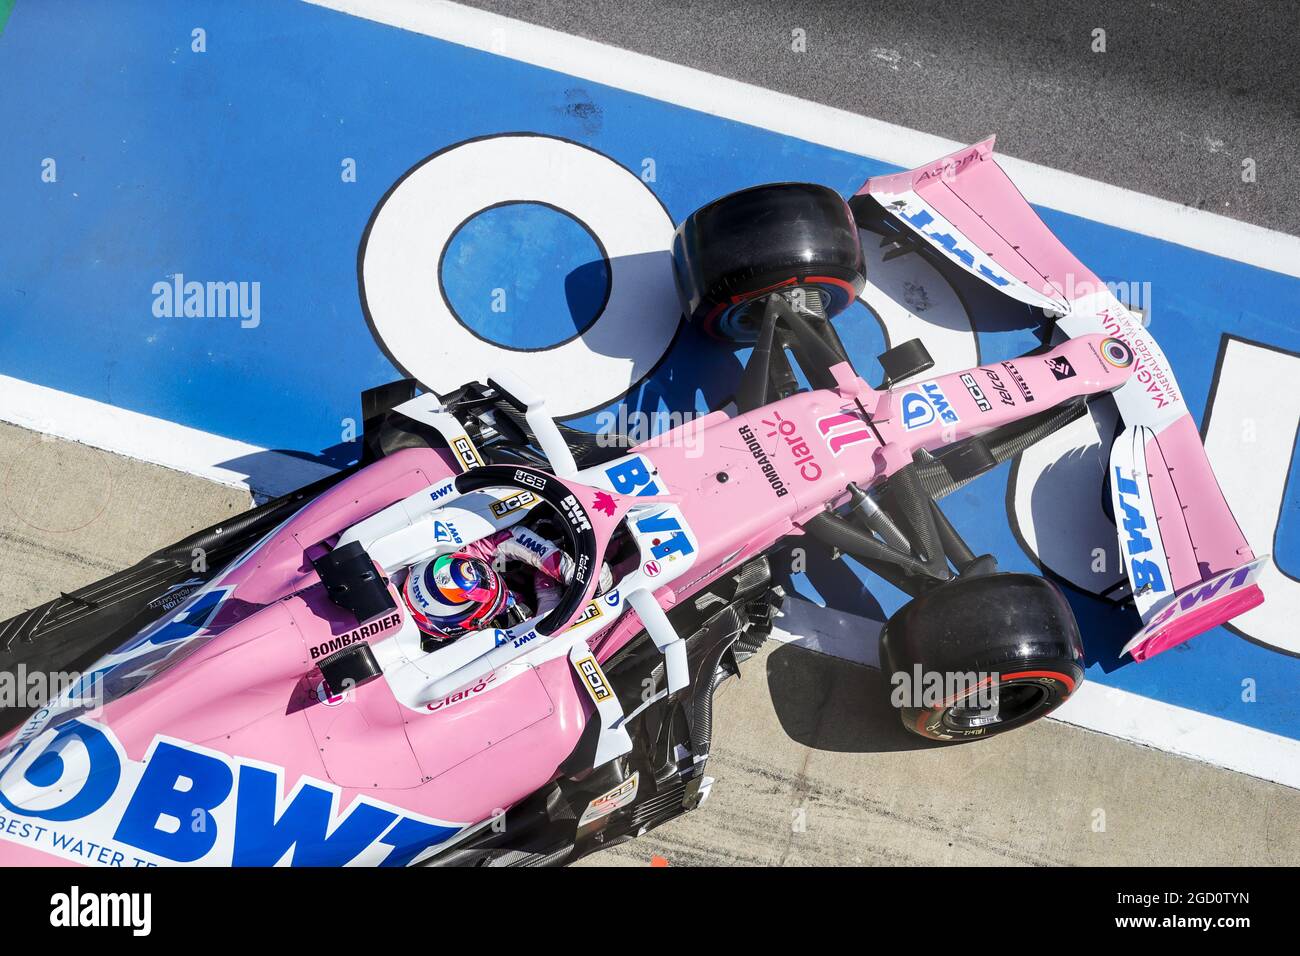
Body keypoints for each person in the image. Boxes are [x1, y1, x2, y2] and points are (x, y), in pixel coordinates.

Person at [403, 524, 602, 644]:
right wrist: (546, 589)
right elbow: (549, 635)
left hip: (535, 579)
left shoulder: (459, 566)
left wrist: (567, 570)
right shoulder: (476, 648)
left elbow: (510, 537)